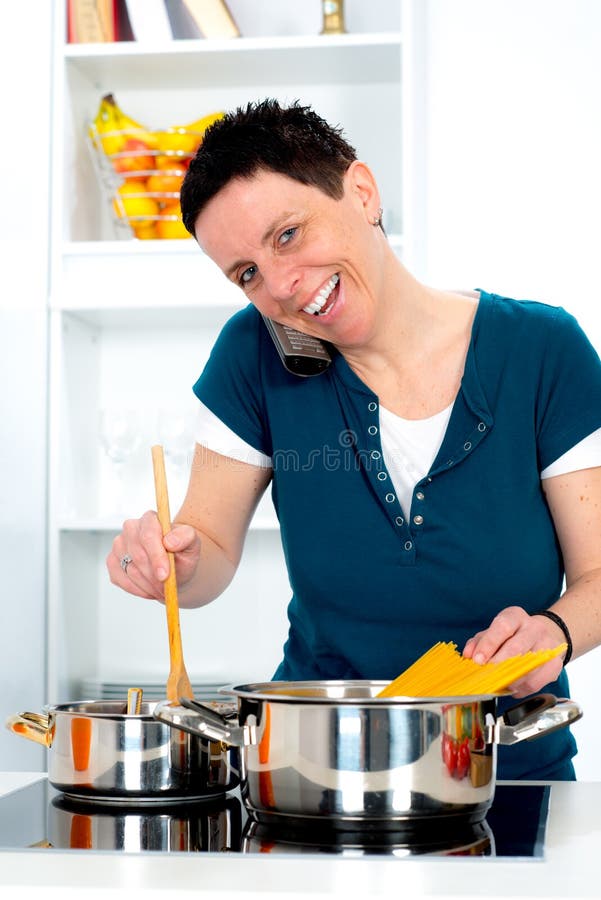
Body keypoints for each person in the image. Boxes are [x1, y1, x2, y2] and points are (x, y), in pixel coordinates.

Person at [107, 99, 601, 781]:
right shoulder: (253, 355)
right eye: (245, 273)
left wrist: (557, 631)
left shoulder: (542, 351)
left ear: (361, 192)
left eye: (286, 235)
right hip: (311, 769)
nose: (279, 286)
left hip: (502, 765)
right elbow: (208, 549)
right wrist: (172, 568)